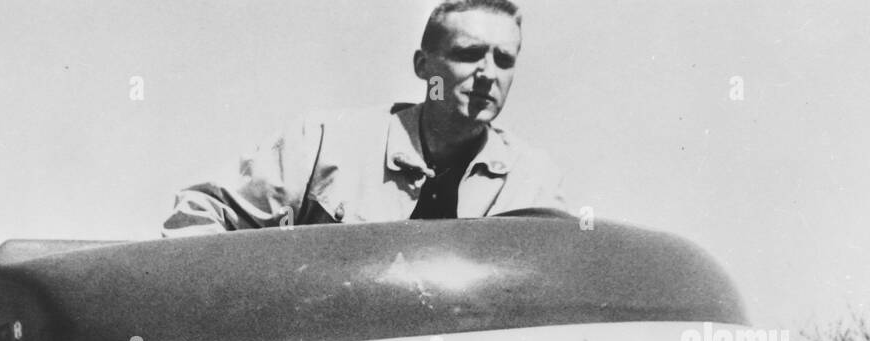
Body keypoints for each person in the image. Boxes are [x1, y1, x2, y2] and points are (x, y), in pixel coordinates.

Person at [161, 0, 567, 237]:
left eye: (504, 59)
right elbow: (202, 215)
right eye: (468, 54)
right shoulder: (321, 142)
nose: (488, 74)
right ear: (424, 67)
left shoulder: (534, 182)